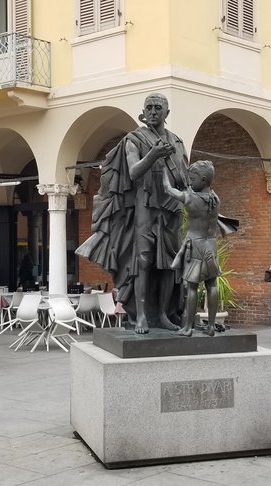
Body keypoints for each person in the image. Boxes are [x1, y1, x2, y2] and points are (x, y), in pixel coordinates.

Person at [76, 93, 190, 334]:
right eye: (148, 107)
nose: (153, 111)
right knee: (143, 261)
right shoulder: (134, 139)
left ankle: (163, 315)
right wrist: (153, 155)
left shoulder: (178, 142)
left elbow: (185, 178)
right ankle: (140, 318)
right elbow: (134, 171)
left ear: (167, 113)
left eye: (158, 107)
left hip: (171, 209)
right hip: (145, 208)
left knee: (169, 264)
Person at [162, 160, 221, 337]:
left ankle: (188, 327)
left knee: (192, 287)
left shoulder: (191, 198)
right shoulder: (215, 199)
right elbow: (193, 189)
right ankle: (211, 326)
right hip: (211, 244)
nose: (190, 181)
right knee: (212, 284)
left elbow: (167, 189)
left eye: (193, 178)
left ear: (203, 179)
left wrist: (163, 170)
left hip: (195, 245)